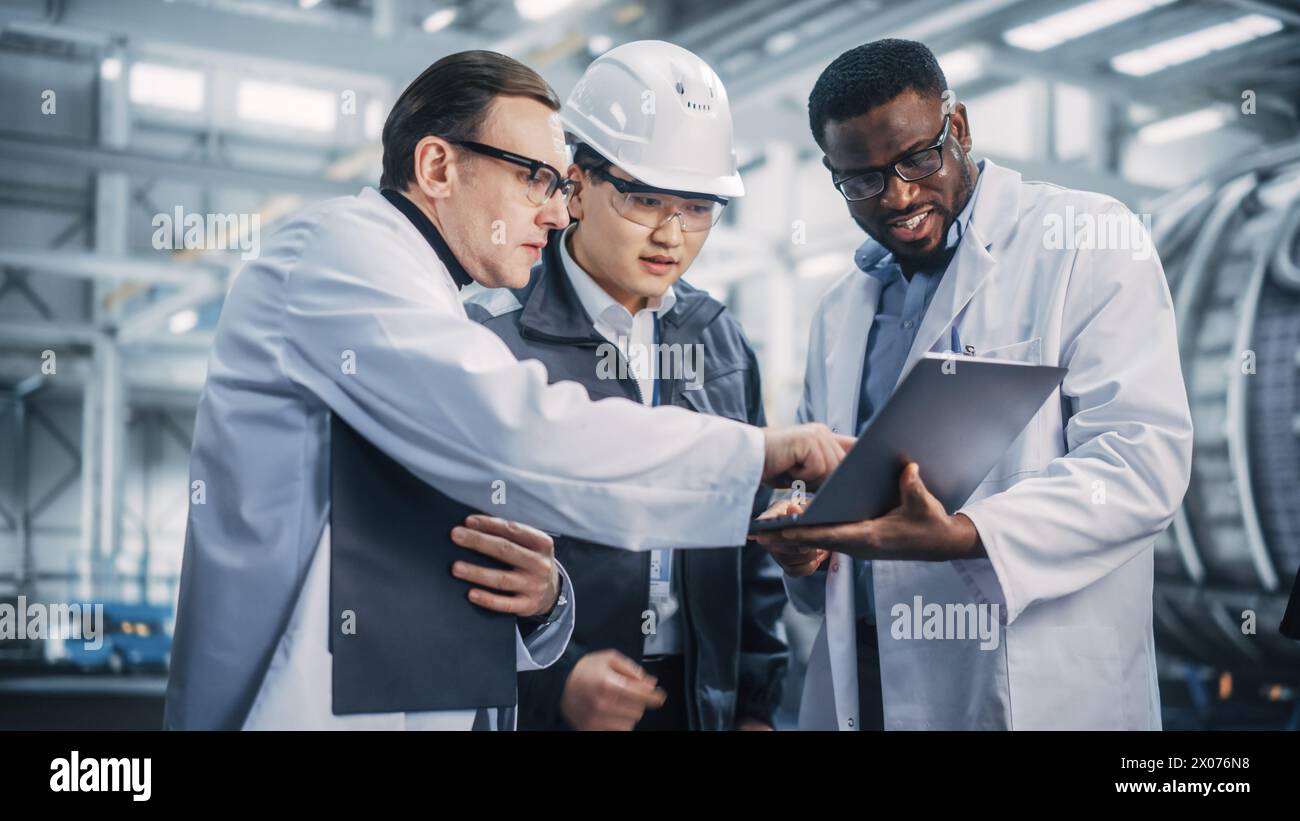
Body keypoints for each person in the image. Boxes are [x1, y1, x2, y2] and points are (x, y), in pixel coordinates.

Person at [164, 50, 849, 731]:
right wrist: (758, 453)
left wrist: (549, 603)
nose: (556, 214)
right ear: (437, 166)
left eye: (558, 185)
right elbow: (519, 434)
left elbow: (455, 539)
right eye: (537, 180)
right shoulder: (340, 258)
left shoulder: (426, 290)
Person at [753, 38, 1193, 730]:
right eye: (862, 179)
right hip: (863, 687)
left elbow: (1142, 464)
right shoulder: (840, 309)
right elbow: (825, 479)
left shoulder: (1088, 241)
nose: (898, 195)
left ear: (957, 128)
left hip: (1024, 687)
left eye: (917, 159)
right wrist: (803, 538)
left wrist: (963, 534)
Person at [466, 41, 787, 731]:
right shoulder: (492, 337)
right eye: (645, 198)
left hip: (698, 701)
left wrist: (755, 706)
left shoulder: (719, 341)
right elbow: (443, 557)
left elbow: (752, 547)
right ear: (577, 186)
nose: (672, 234)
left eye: (698, 207)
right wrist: (554, 677)